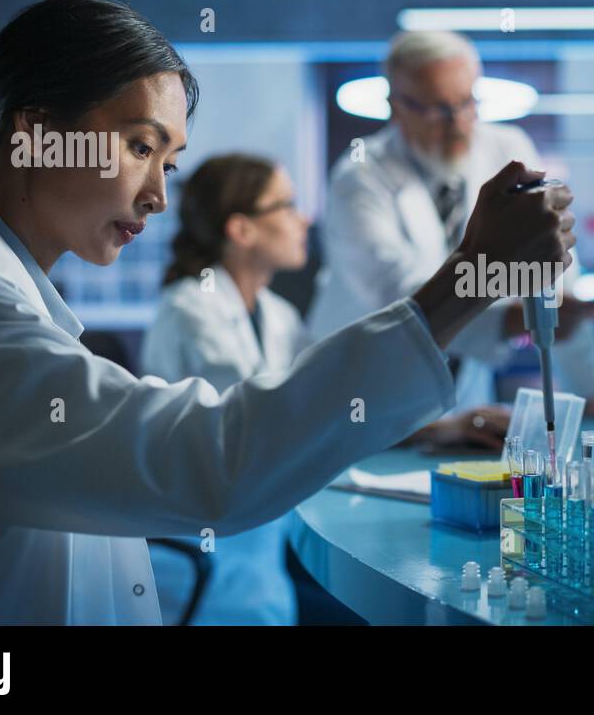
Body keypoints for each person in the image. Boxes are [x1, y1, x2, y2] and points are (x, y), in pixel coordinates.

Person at [0, 0, 574, 625]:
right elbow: (210, 457)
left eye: (167, 164)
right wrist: (469, 280)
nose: (157, 196)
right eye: (141, 146)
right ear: (38, 131)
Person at [140, 154, 507, 624]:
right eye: (286, 205)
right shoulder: (192, 311)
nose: (304, 218)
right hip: (214, 563)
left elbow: (333, 401)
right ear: (242, 229)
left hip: (263, 548)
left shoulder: (277, 314)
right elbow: (276, 424)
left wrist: (441, 426)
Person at [309, 30, 594, 419]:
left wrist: (592, 390)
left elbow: (551, 266)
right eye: (437, 109)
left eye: (466, 102)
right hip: (367, 385)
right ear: (395, 105)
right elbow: (402, 297)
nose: (458, 124)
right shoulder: (359, 177)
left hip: (462, 386)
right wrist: (506, 319)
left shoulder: (506, 148)